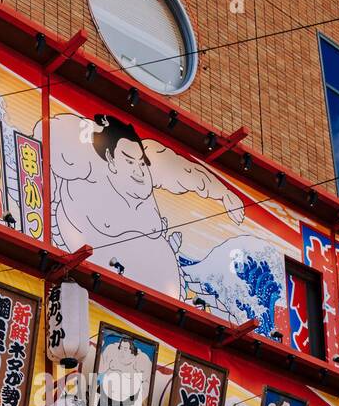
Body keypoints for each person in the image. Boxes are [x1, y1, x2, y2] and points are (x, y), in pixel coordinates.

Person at [41, 114, 245, 301]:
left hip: (156, 298)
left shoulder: (150, 165)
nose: (138, 170)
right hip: (91, 283)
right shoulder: (87, 163)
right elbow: (48, 130)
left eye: (140, 162)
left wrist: (223, 193)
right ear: (110, 158)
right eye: (129, 161)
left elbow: (187, 173)